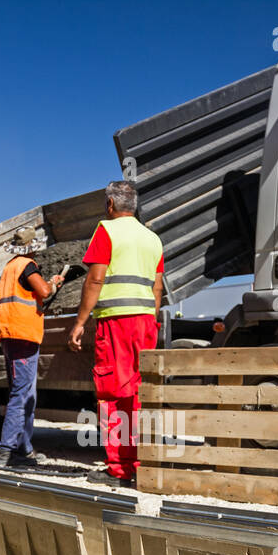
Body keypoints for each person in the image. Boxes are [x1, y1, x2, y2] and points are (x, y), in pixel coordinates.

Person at [66, 181, 164, 488]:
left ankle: (120, 468)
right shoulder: (153, 238)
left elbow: (95, 280)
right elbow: (157, 288)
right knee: (139, 392)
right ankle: (141, 462)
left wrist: (80, 322)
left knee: (113, 391)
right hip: (146, 322)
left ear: (110, 205)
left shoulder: (106, 232)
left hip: (116, 322)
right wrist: (150, 318)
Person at [0, 227, 64, 468]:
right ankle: (6, 450)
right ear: (32, 246)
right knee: (21, 393)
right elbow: (42, 290)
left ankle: (23, 447)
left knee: (25, 393)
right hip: (23, 333)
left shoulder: (10, 266)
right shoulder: (27, 265)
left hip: (11, 333)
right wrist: (53, 284)